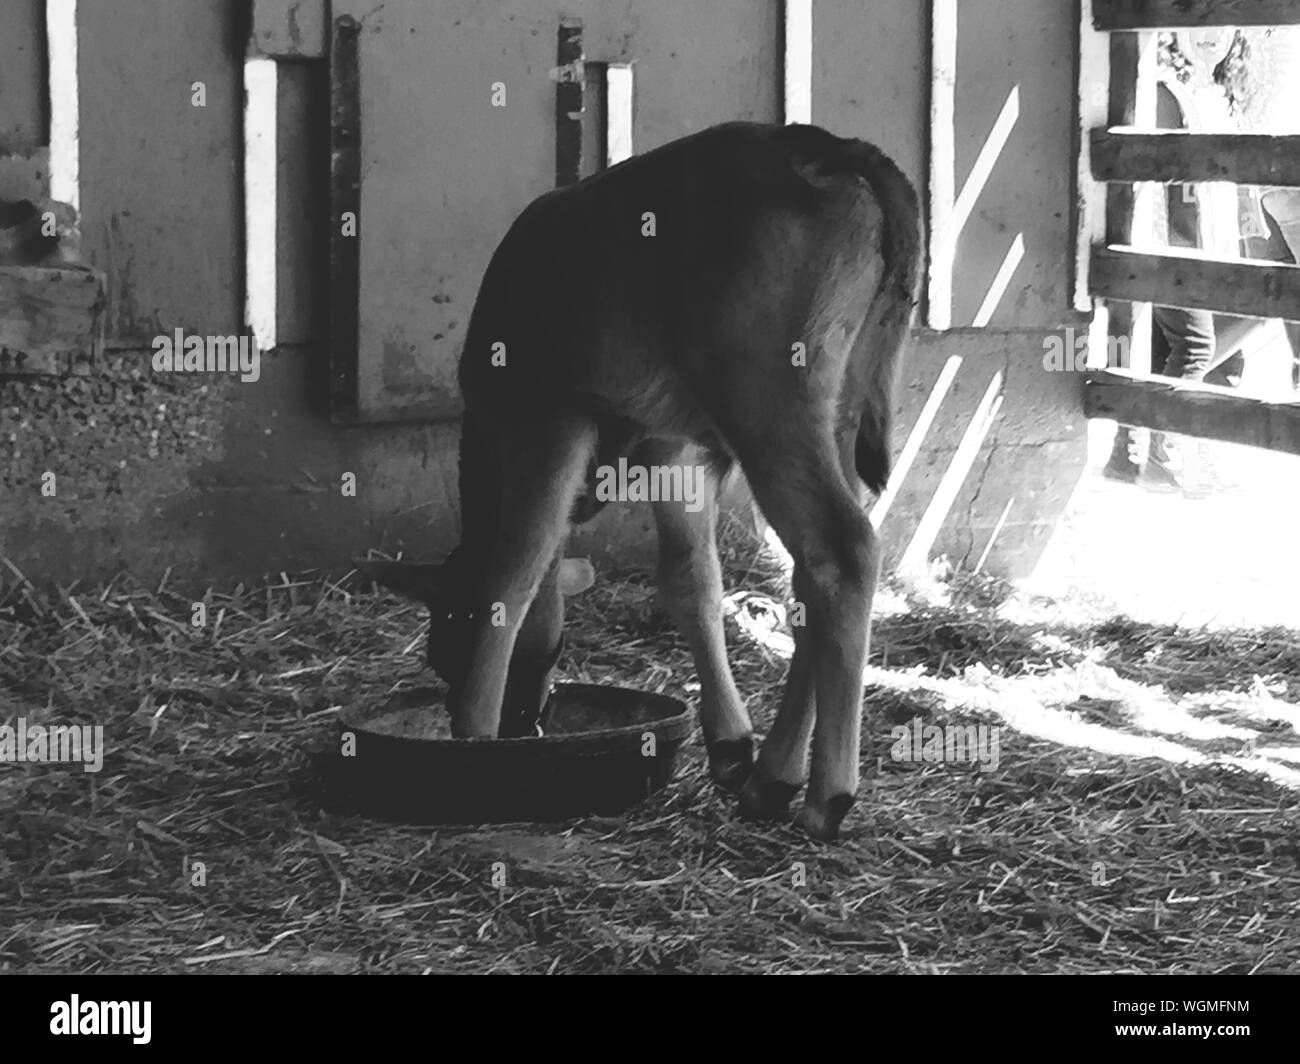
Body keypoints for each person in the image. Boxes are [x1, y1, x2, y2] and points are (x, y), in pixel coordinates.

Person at [1103, 29, 1300, 493]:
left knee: (1226, 351)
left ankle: (1196, 454)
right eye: (1202, 19)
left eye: (1224, 23)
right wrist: (1162, 246)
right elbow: (1153, 187)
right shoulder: (1168, 93)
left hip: (1212, 245)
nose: (1213, 37)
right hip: (1172, 245)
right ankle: (1158, 453)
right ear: (1177, 28)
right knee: (1193, 346)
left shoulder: (1219, 94)